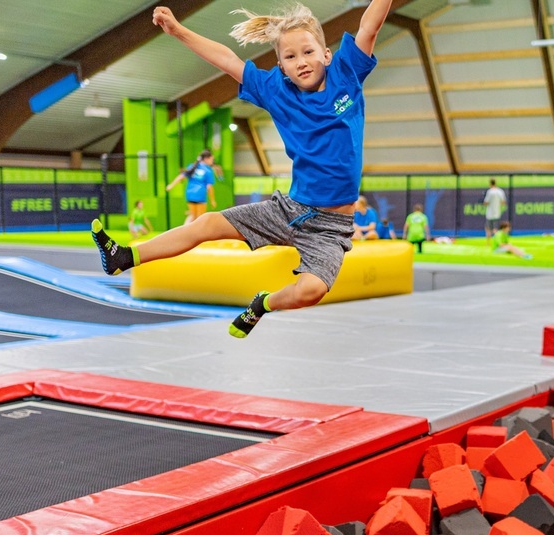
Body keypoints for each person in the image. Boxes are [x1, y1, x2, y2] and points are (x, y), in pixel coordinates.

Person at [91, 0, 392, 338]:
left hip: (330, 227)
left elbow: (370, 25)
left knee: (311, 291)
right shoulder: (276, 91)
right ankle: (125, 256)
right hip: (290, 209)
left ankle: (263, 304)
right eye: (290, 58)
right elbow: (227, 60)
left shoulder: (346, 74)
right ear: (279, 65)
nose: (301, 63)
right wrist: (177, 31)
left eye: (307, 52)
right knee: (207, 223)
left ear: (326, 54)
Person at [166, 149, 219, 224]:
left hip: (190, 194)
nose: (212, 161)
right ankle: (198, 234)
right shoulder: (208, 170)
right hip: (200, 194)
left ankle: (184, 231)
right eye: (211, 159)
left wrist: (171, 185)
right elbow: (209, 187)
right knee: (200, 217)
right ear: (206, 159)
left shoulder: (192, 166)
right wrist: (212, 200)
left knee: (192, 216)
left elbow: (181, 176)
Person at [483, 178, 507, 248]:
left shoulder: (490, 192)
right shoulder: (500, 191)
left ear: (490, 184)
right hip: (497, 213)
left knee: (488, 229)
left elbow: (486, 202)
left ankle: (488, 243)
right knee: (495, 229)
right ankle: (498, 242)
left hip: (490, 214)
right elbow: (503, 202)